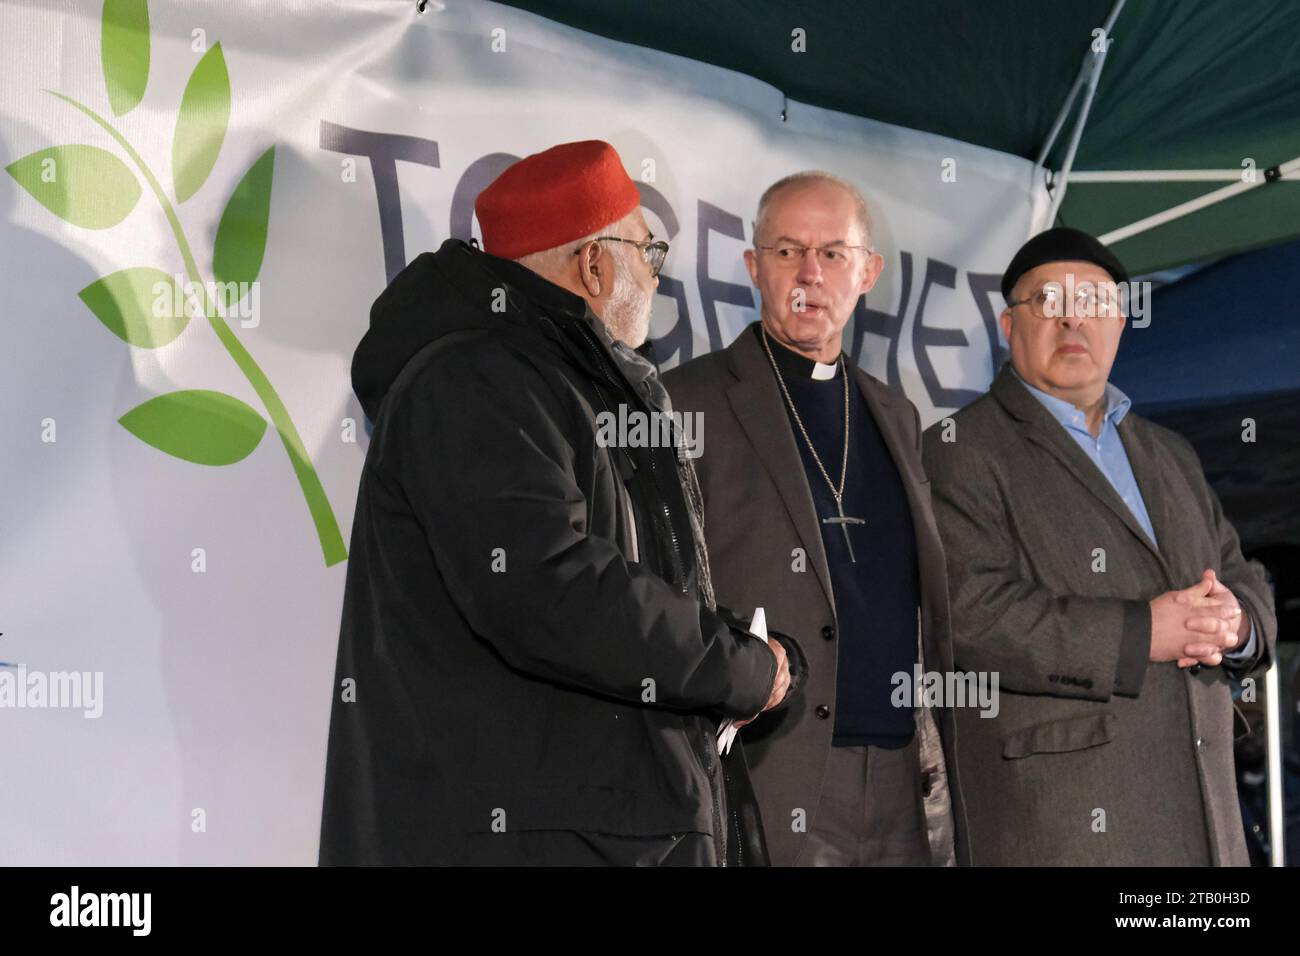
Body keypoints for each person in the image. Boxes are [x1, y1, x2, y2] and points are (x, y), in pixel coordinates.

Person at [318, 140, 802, 866]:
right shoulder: (475, 381)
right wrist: (738, 669)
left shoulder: (561, 384)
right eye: (649, 251)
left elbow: (619, 584)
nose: (655, 277)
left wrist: (745, 653)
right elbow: (553, 591)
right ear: (596, 264)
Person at [922, 226, 1277, 865]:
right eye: (1048, 303)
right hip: (1063, 828)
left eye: (1091, 304)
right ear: (1009, 327)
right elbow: (970, 616)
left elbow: (1240, 572)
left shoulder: (1170, 453)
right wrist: (1144, 634)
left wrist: (1238, 623)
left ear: (1118, 322)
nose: (1071, 321)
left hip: (1207, 821)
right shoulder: (958, 448)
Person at [664, 171, 965, 866]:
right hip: (772, 765)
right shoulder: (687, 403)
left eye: (833, 253)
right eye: (787, 251)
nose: (809, 273)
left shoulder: (897, 414)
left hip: (902, 773)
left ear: (867, 272)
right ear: (752, 267)